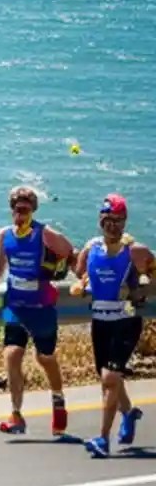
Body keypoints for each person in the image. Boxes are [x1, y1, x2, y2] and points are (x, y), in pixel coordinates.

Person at [0, 186, 75, 436]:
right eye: (15, 209)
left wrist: (71, 275)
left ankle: (58, 403)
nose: (19, 214)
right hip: (15, 305)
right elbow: (0, 267)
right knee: (11, 355)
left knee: (44, 358)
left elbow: (70, 252)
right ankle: (16, 415)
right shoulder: (4, 235)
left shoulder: (44, 234)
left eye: (24, 209)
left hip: (42, 307)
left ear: (33, 210)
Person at [71, 194, 153, 457]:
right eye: (108, 220)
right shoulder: (91, 248)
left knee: (109, 379)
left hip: (127, 319)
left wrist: (141, 286)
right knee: (109, 378)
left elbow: (153, 270)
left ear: (125, 221)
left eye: (118, 221)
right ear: (100, 221)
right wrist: (82, 283)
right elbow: (81, 270)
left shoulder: (135, 251)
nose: (113, 226)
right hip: (101, 321)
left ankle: (103, 440)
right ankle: (129, 413)